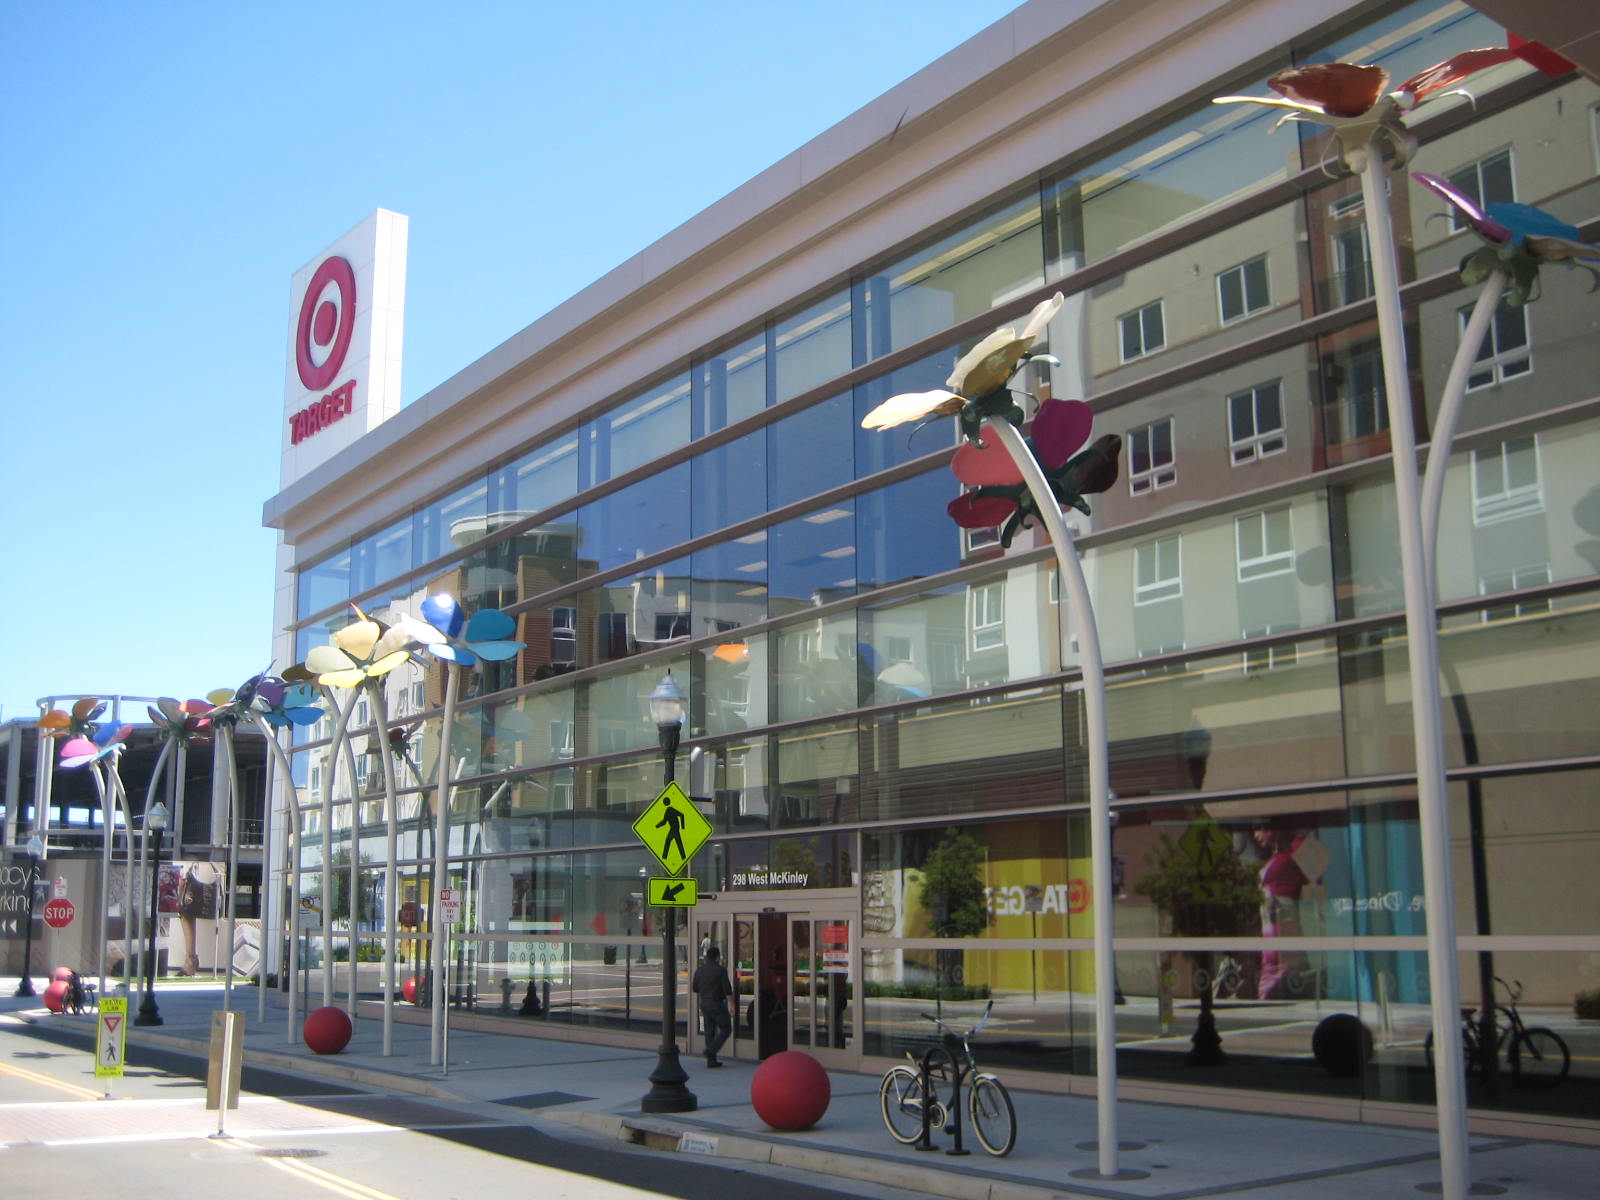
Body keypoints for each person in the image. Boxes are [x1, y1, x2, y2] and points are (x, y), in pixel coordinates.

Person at [691, 945, 734, 1067]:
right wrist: (732, 1004)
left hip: (704, 1003)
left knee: (709, 1031)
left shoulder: (699, 971)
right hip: (716, 1003)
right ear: (717, 957)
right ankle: (711, 1050)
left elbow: (695, 988)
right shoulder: (720, 970)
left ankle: (711, 1061)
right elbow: (727, 989)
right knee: (726, 1028)